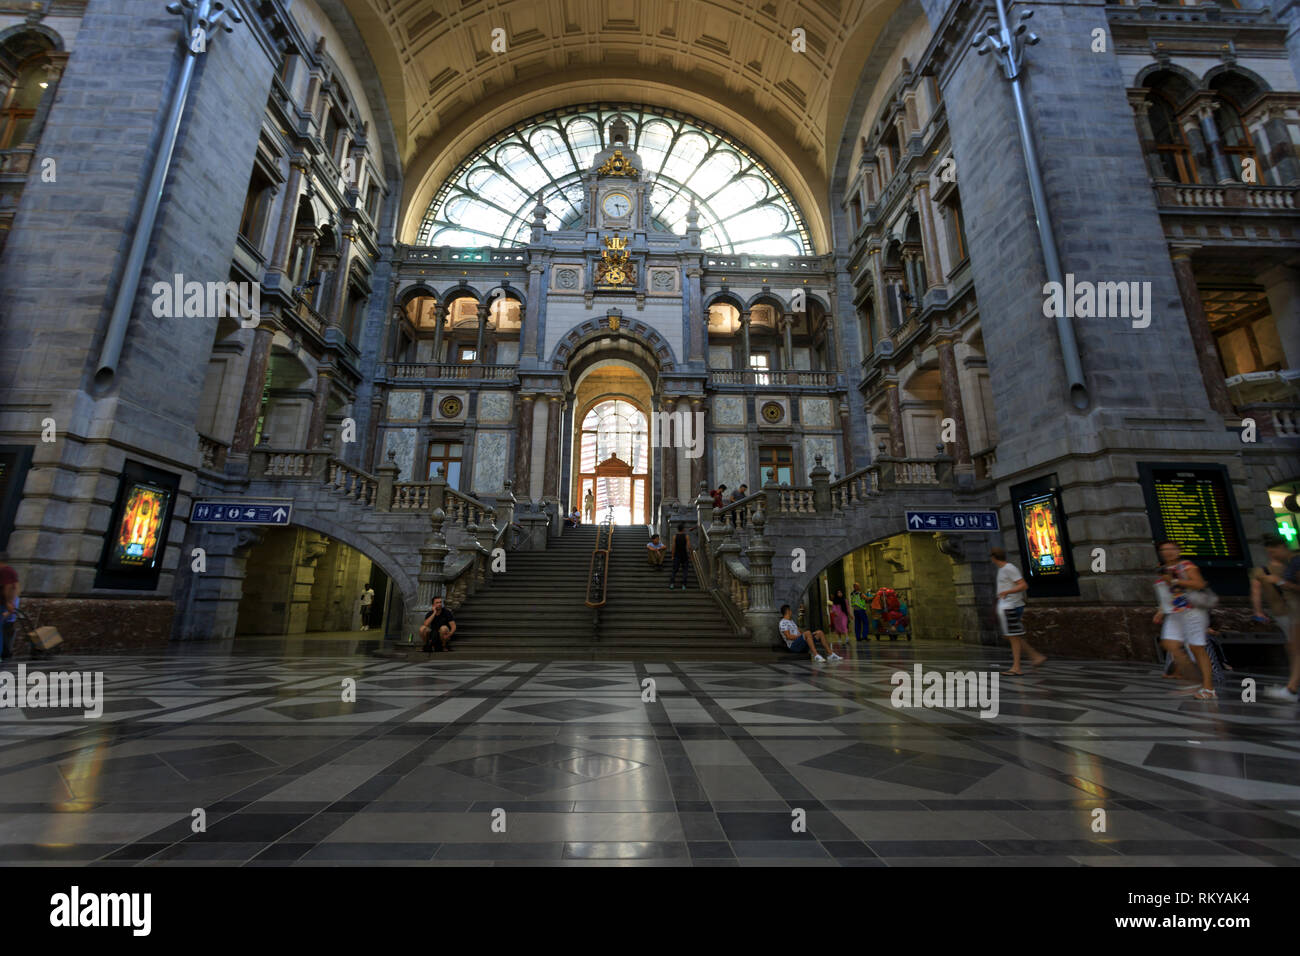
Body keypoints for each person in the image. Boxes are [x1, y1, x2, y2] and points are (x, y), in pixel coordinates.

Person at [1155, 540, 1215, 699]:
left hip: (1191, 611)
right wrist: (1161, 611)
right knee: (1169, 644)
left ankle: (1208, 688)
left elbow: (1199, 583)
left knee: (1197, 648)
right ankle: (1193, 680)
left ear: (1178, 551)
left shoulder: (1186, 566)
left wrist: (1175, 580)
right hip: (1174, 613)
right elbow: (1167, 593)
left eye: (1171, 549)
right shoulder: (1163, 570)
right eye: (1164, 549)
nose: (1168, 552)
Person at [1257, 535, 1300, 701]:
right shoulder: (1292, 562)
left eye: (1273, 552)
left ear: (1282, 547)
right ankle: (1292, 688)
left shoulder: (1295, 562)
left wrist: (1279, 582)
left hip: (1297, 611)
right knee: (1294, 649)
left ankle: (1291, 689)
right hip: (1294, 612)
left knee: (1295, 650)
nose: (1272, 556)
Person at [991, 547, 1046, 675]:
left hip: (1012, 606)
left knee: (1013, 637)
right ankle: (1035, 656)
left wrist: (1007, 592)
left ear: (993, 557)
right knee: (1011, 636)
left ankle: (1017, 667)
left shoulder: (1009, 568)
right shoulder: (1002, 570)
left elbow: (1023, 585)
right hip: (1006, 606)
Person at [0, 554, 18, 662]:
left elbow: (9, 587)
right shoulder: (7, 571)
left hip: (2, 604)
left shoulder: (6, 571)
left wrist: (9, 603)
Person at [668, 523, 694, 590]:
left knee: (674, 570)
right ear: (683, 529)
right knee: (685, 571)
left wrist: (672, 555)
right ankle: (683, 585)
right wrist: (691, 555)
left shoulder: (675, 536)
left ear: (678, 529)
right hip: (684, 555)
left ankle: (672, 584)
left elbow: (673, 546)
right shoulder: (686, 536)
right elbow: (689, 546)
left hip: (677, 555)